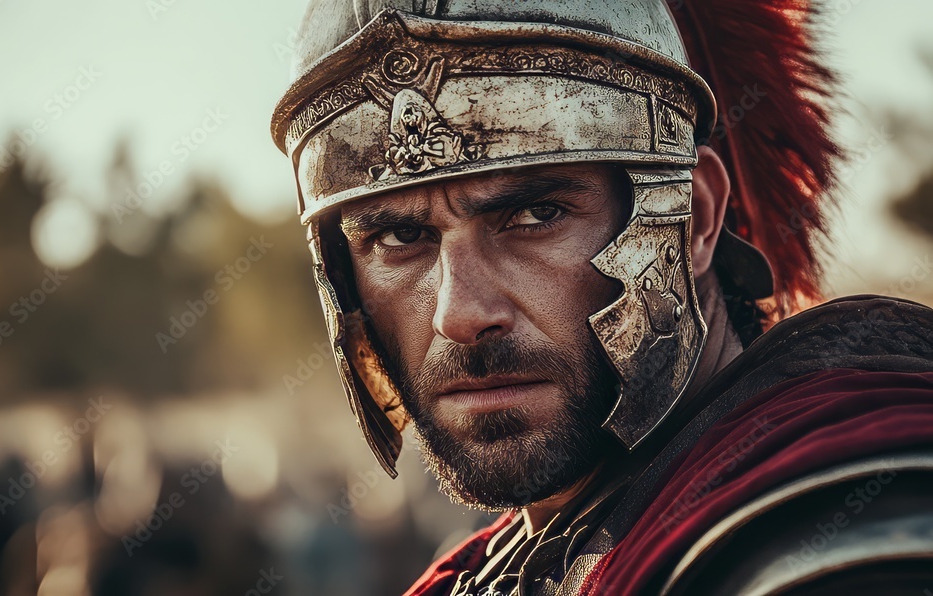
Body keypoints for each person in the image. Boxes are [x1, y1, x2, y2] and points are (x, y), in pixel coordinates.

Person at [270, 1, 933, 593]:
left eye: (534, 216)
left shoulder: (836, 522)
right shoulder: (477, 574)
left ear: (696, 218)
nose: (461, 314)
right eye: (401, 236)